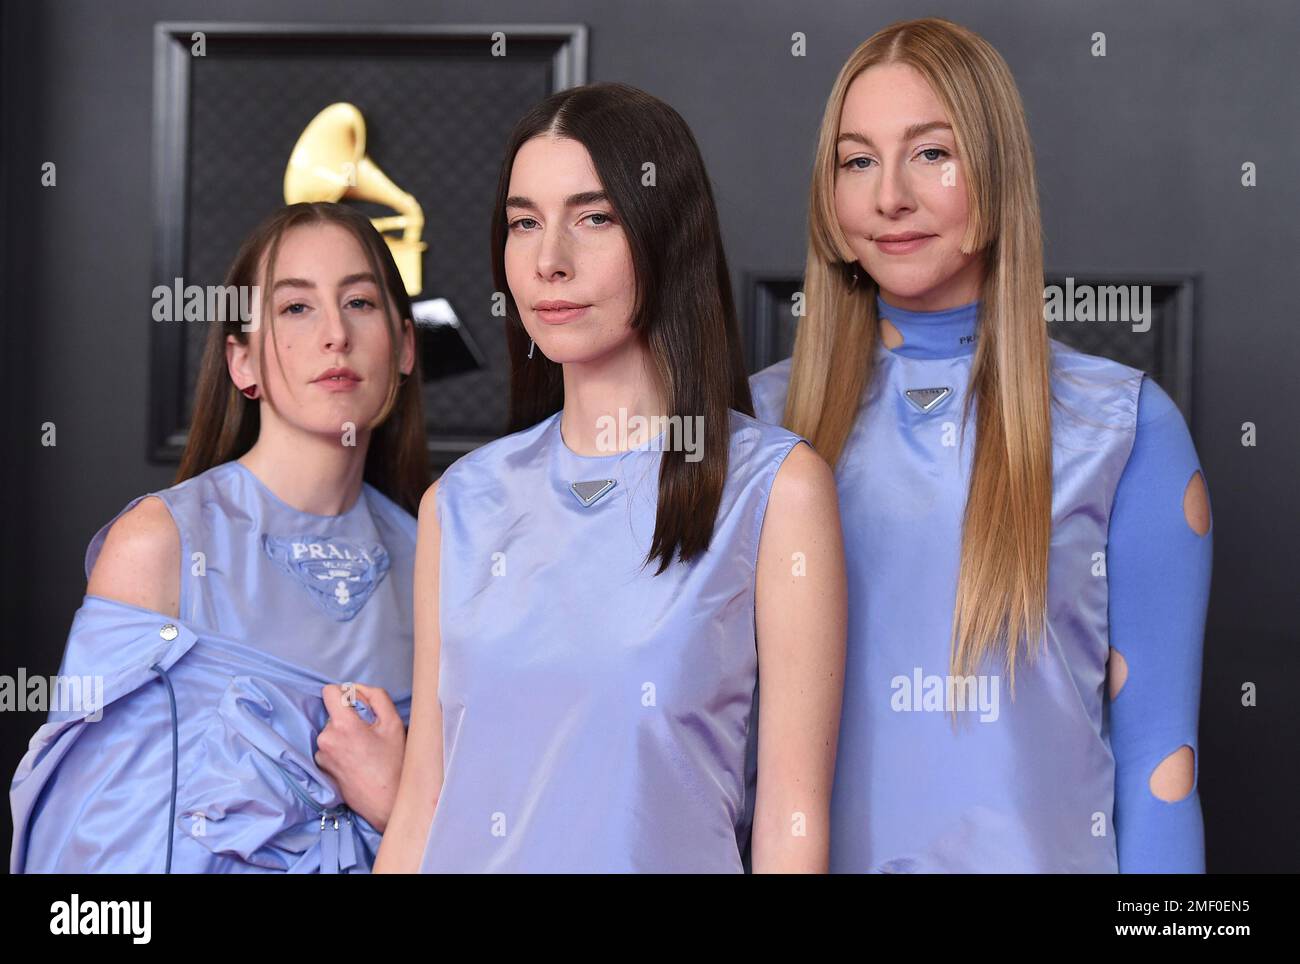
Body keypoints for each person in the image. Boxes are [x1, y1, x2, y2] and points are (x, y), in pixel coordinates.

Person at [749, 18, 1211, 872]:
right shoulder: (756, 432)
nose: (889, 195)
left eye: (931, 153)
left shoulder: (1125, 429)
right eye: (857, 161)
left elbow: (1161, 766)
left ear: (998, 173)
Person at [375, 82, 847, 873]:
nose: (550, 260)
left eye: (593, 218)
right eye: (524, 223)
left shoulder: (775, 490)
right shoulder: (459, 504)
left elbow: (791, 818)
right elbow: (425, 801)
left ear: (667, 234)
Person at [11, 202, 427, 872]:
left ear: (404, 346)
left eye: (359, 302)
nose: (334, 335)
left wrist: (394, 802)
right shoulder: (159, 546)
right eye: (295, 307)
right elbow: (86, 861)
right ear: (243, 363)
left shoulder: (437, 563)